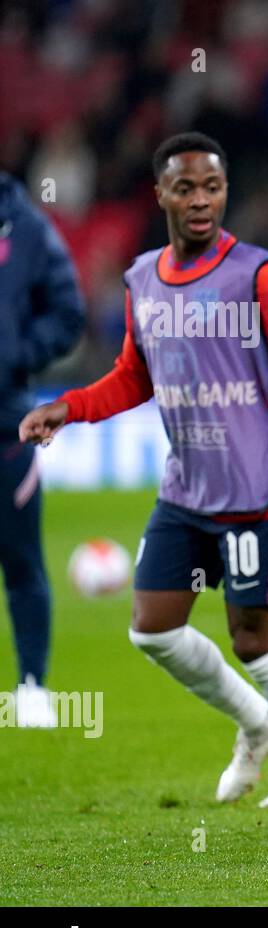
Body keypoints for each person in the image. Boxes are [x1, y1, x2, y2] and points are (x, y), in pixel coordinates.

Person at [20, 133, 268, 807]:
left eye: (212, 186)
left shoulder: (260, 277)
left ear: (225, 191)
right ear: (161, 195)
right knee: (152, 626)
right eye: (186, 187)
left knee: (254, 640)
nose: (201, 199)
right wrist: (69, 407)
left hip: (256, 490)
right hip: (185, 491)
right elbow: (132, 377)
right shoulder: (142, 278)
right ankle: (256, 723)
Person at [1, 170, 85, 727]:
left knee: (22, 560)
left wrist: (15, 354)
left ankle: (32, 686)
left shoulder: (28, 226)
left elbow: (68, 312)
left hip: (5, 424)